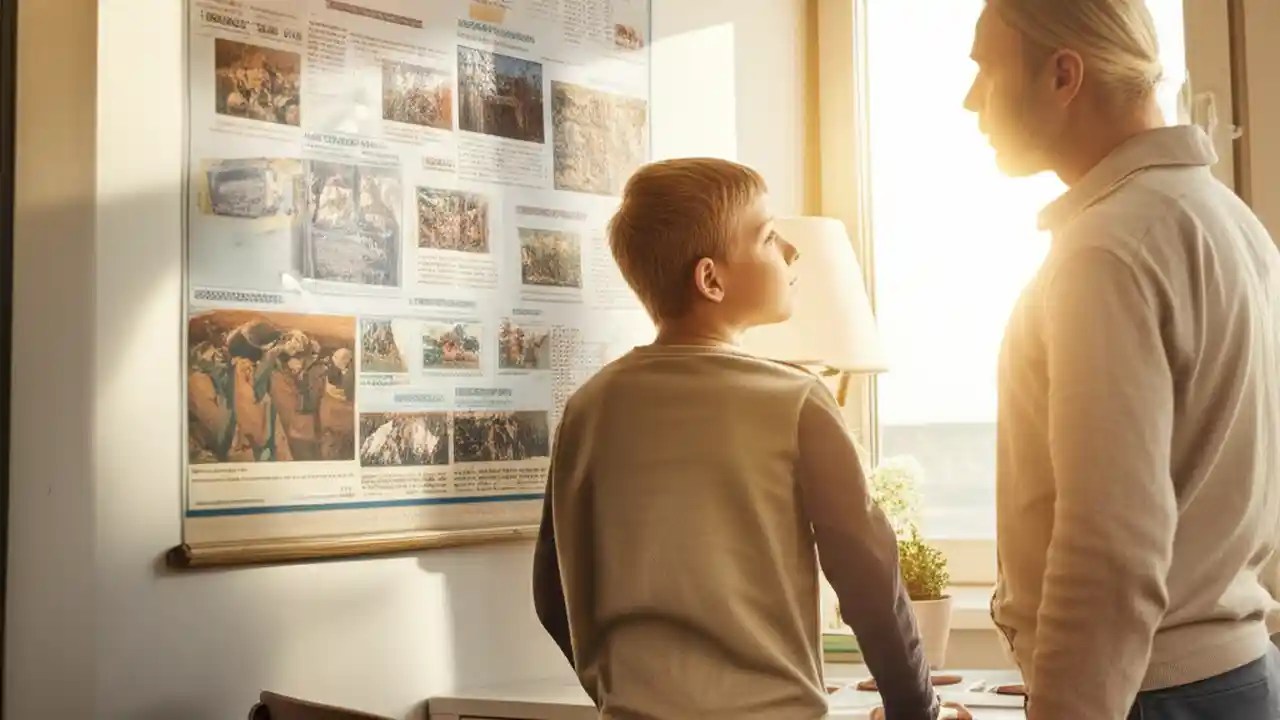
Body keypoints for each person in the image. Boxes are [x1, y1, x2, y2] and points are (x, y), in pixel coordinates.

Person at [532, 158, 959, 719]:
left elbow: (552, 592)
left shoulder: (587, 408)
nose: (790, 252)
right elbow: (870, 582)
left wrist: (618, 689)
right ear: (711, 279)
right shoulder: (797, 400)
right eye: (768, 236)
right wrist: (918, 711)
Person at [963, 1, 1280, 718]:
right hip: (1237, 676)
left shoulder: (1108, 248)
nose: (970, 99)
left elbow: (1111, 551)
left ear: (1063, 75)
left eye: (985, 69)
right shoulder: (1227, 220)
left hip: (1149, 692)